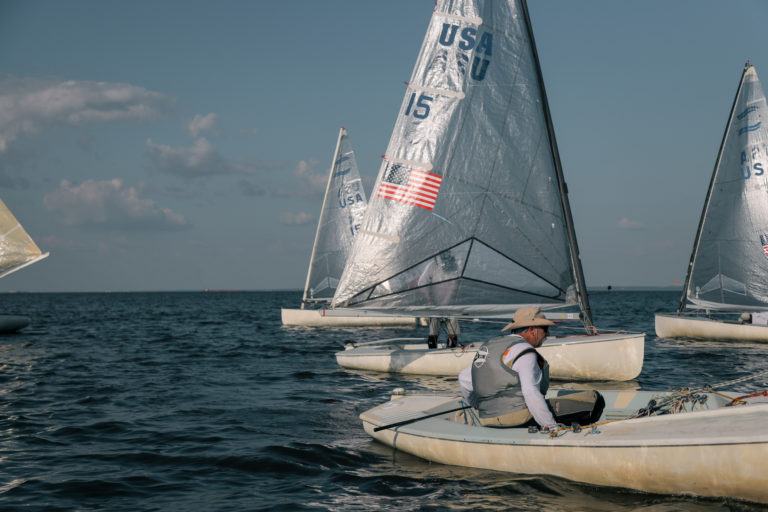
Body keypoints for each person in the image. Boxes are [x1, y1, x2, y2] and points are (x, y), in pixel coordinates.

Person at [458, 307, 602, 431]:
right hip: (518, 418)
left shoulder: (491, 346)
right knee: (594, 399)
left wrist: (477, 405)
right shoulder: (525, 351)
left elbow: (463, 379)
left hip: (486, 419)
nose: (548, 334)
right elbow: (530, 393)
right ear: (532, 330)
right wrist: (551, 427)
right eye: (545, 329)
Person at [418, 252, 460, 348]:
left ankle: (451, 351)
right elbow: (422, 283)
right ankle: (432, 352)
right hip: (434, 305)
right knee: (433, 331)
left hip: (450, 306)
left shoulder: (455, 267)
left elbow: (453, 289)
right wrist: (429, 300)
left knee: (452, 331)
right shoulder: (432, 265)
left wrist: (444, 305)